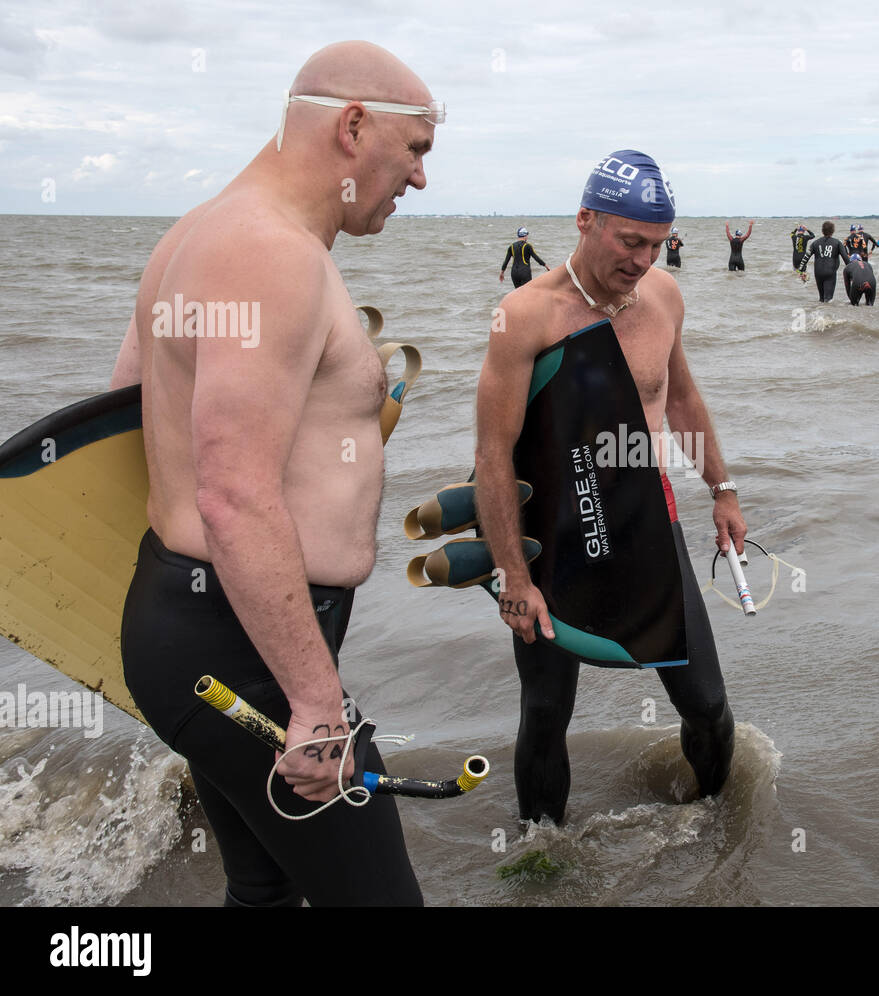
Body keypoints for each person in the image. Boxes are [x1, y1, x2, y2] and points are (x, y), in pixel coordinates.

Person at [106, 41, 435, 907]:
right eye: (418, 150)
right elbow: (232, 492)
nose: (421, 179)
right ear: (354, 126)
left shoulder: (197, 232)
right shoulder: (273, 255)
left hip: (193, 624)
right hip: (236, 650)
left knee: (263, 887)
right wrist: (319, 707)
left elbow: (125, 412)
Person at [474, 150, 740, 825]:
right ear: (585, 219)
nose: (644, 259)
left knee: (706, 704)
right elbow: (493, 454)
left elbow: (680, 400)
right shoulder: (526, 316)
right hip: (552, 539)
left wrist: (724, 488)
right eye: (630, 241)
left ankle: (713, 833)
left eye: (657, 244)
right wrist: (511, 571)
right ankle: (540, 856)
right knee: (545, 710)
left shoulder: (663, 297)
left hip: (647, 520)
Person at [799, 220, 851, 302]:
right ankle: (827, 314)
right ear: (833, 231)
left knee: (821, 298)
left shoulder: (815, 243)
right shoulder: (837, 243)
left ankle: (819, 313)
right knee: (828, 300)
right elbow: (847, 260)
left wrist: (801, 271)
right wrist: (853, 273)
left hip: (818, 273)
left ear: (822, 231)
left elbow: (805, 258)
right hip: (830, 273)